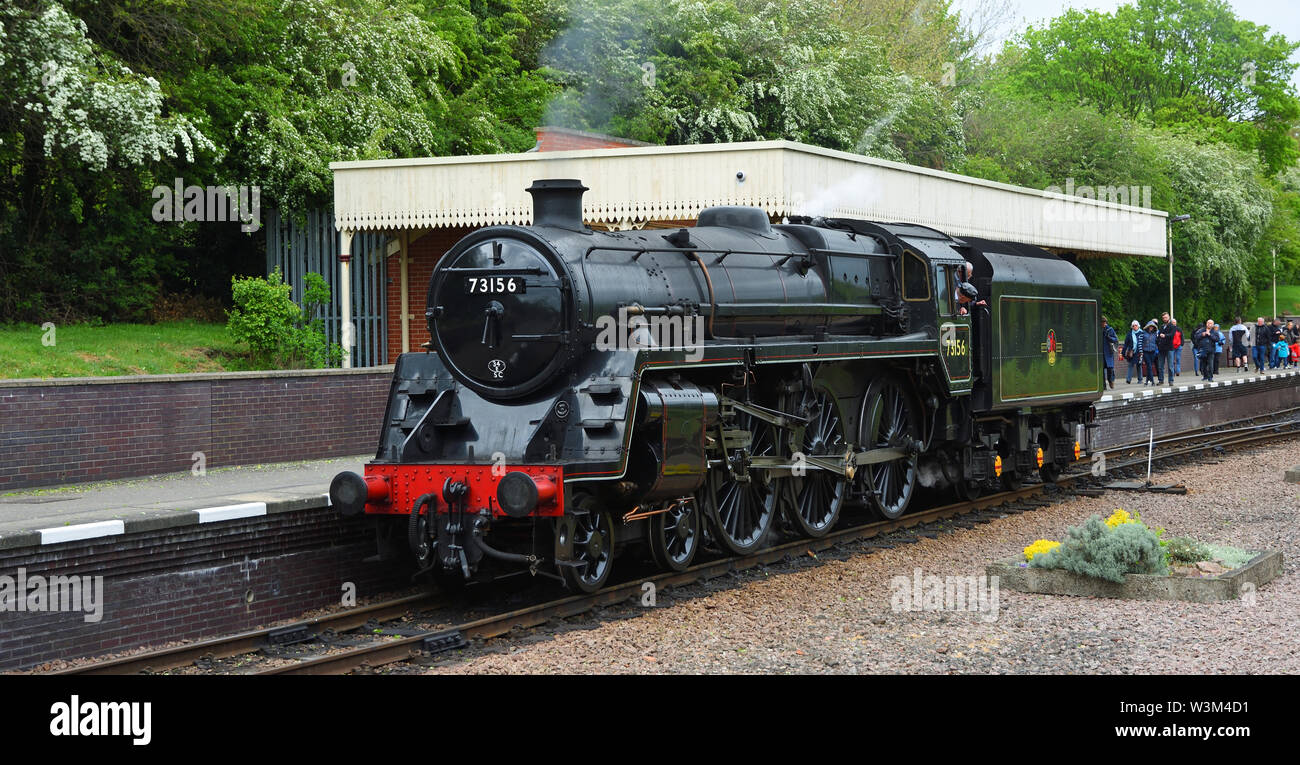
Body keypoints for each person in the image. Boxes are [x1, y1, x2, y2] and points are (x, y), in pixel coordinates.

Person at [1157, 312, 1176, 383]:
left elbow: (1172, 335)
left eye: (1166, 317)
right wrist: (1158, 343)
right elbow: (1158, 335)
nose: (1165, 319)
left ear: (1169, 317)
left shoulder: (1172, 326)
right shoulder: (1162, 326)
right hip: (1161, 348)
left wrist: (1165, 335)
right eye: (1163, 318)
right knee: (1160, 366)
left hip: (1169, 348)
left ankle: (1171, 381)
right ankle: (1161, 380)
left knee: (1170, 366)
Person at [1123, 319, 1144, 384]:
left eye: (1136, 325)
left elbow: (1144, 342)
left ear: (1138, 326)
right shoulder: (1129, 334)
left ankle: (1140, 379)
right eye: (1133, 326)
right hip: (1131, 352)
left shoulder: (1142, 333)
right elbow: (1126, 343)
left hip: (1139, 352)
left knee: (1139, 365)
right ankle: (1128, 379)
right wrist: (1123, 352)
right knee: (1130, 365)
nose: (1134, 327)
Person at [1101, 317, 1118, 389]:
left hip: (1108, 352)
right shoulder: (1097, 329)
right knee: (1101, 370)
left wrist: (1109, 338)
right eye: (1102, 323)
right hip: (1101, 353)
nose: (1104, 324)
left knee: (1110, 368)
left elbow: (1115, 339)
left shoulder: (1110, 329)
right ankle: (1103, 385)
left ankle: (1111, 380)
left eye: (1104, 322)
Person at [1142, 320, 1160, 385]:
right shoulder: (1143, 333)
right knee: (1149, 366)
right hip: (1146, 351)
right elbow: (1141, 342)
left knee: (1149, 366)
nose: (1151, 328)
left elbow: (1157, 342)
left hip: (1153, 351)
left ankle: (1147, 381)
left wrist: (1156, 350)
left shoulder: (1155, 334)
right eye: (1150, 326)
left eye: (1152, 327)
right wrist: (1141, 351)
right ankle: (1152, 381)